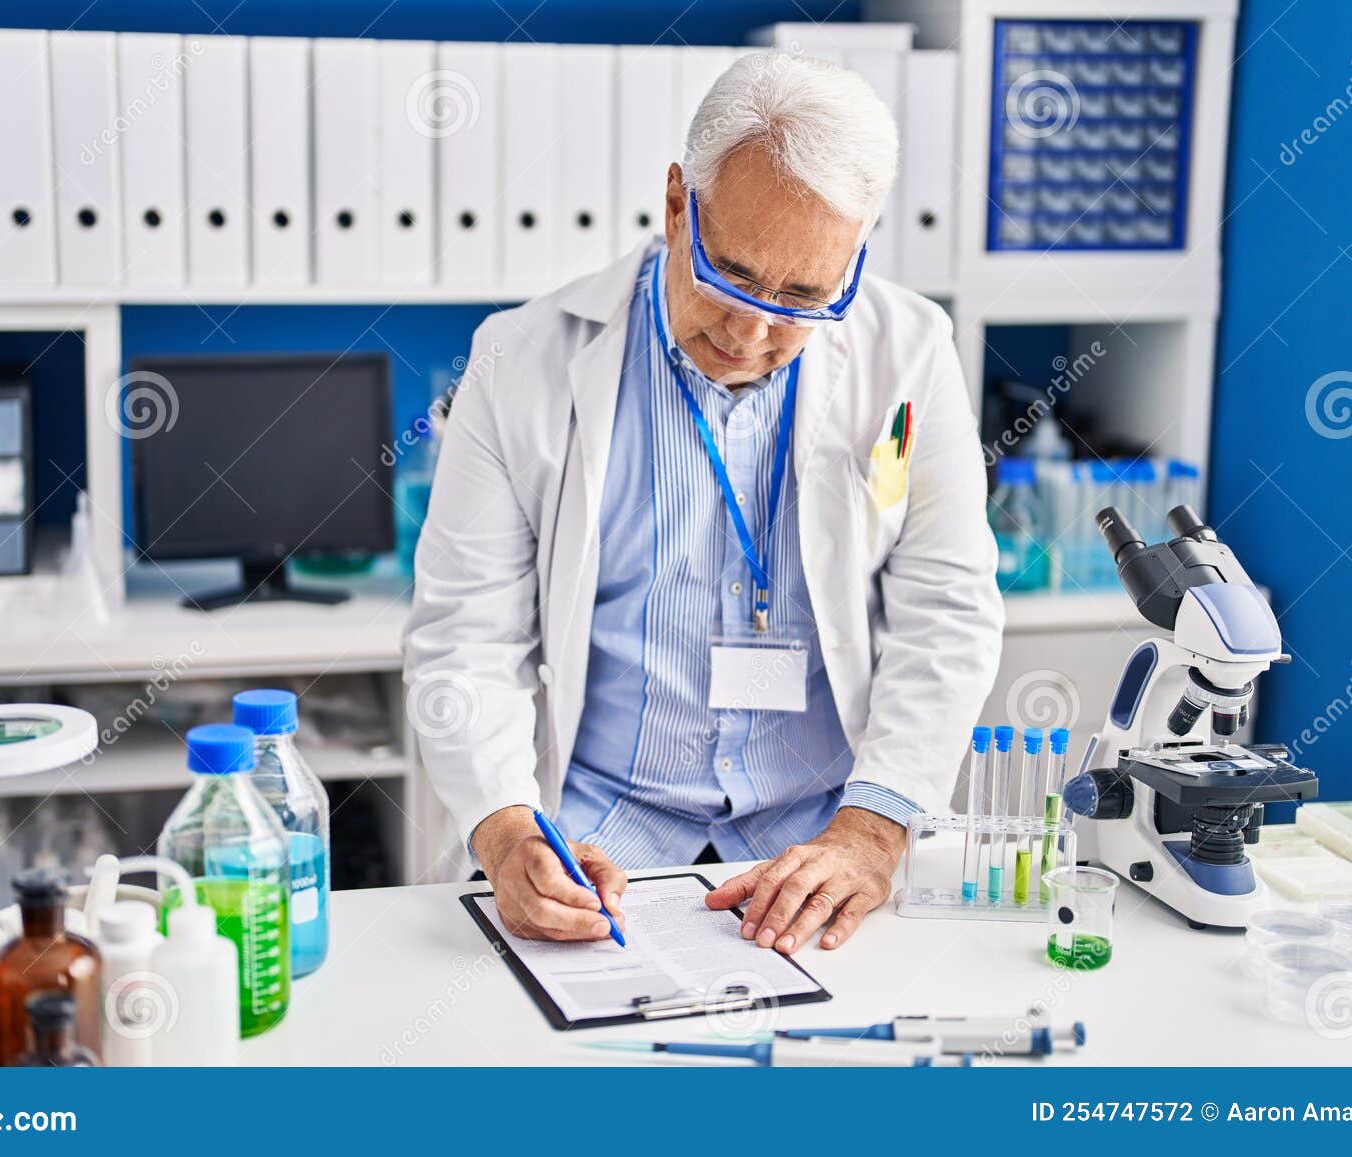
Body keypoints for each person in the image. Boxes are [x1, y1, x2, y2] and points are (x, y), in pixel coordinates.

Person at [403, 52, 1002, 955]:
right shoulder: (519, 361)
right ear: (679, 204)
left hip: (820, 844)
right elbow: (464, 638)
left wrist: (873, 834)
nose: (752, 333)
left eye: (804, 297)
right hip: (598, 841)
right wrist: (504, 826)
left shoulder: (910, 353)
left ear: (858, 252)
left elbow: (948, 613)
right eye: (731, 276)